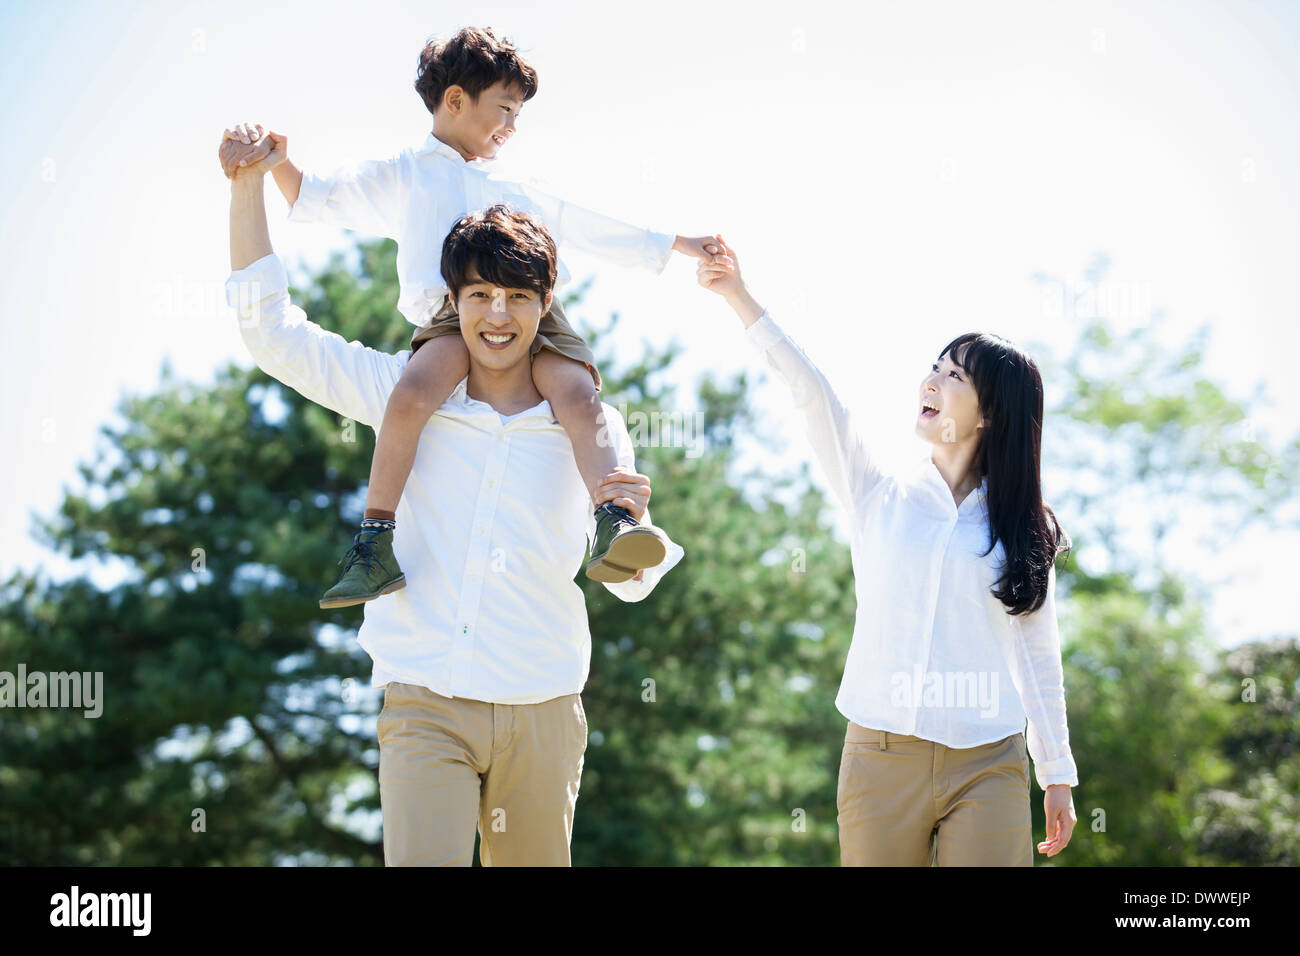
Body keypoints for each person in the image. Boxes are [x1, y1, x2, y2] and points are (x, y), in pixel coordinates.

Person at [222, 135, 684, 866]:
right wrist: (247, 186)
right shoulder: (397, 393)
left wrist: (639, 533)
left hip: (543, 707)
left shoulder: (592, 423)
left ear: (545, 304)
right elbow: (273, 335)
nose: (497, 317)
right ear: (453, 300)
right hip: (425, 702)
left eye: (517, 298)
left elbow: (632, 586)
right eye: (479, 297)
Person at [219, 26, 719, 608]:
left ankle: (614, 519)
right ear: (455, 100)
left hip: (540, 322)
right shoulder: (408, 174)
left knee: (581, 399)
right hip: (445, 320)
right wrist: (271, 164)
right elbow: (318, 196)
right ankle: (376, 539)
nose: (510, 127)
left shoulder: (517, 186)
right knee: (408, 398)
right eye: (504, 110)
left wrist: (675, 242)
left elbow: (593, 223)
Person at [695, 236, 1078, 866]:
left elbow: (1039, 656)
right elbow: (813, 393)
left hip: (988, 761)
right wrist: (739, 296)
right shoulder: (879, 492)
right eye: (936, 366)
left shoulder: (1023, 527)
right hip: (879, 757)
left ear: (990, 416)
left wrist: (1055, 771)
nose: (932, 380)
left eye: (956, 376)